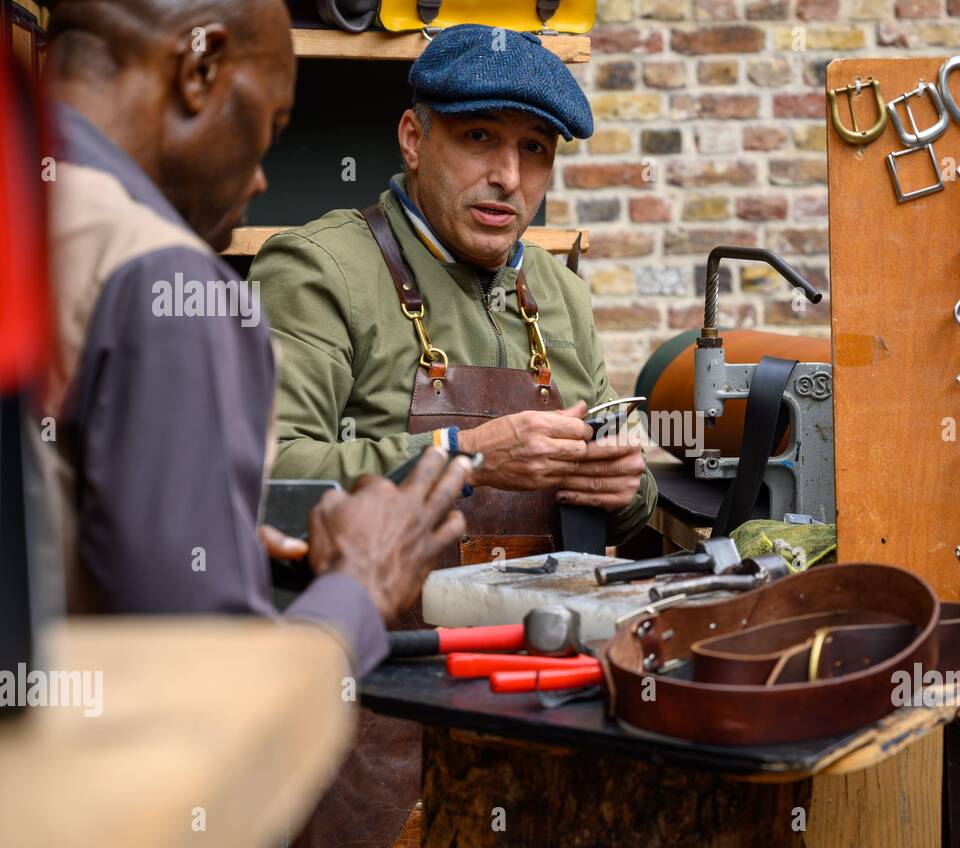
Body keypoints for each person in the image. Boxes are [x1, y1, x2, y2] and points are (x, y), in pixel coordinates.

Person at [40, 0, 467, 678]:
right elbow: (205, 696)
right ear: (199, 71)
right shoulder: (164, 278)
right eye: (267, 125)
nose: (264, 177)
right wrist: (359, 589)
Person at [250, 23, 656, 560]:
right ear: (414, 140)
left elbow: (632, 506)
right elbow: (265, 476)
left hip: (541, 631)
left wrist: (625, 492)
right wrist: (459, 455)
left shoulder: (562, 293)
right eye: (479, 137)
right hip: (378, 636)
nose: (508, 177)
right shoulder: (320, 270)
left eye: (533, 147)